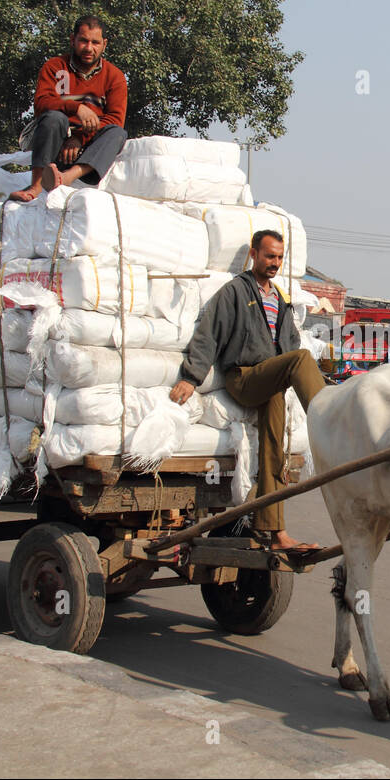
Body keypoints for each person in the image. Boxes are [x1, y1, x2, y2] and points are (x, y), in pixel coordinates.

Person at [170, 230, 327, 550]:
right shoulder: (235, 293)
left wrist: (282, 368)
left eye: (280, 257)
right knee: (301, 360)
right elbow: (208, 334)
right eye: (269, 256)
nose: (275, 263)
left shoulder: (278, 298)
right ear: (254, 254)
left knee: (273, 452)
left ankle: (275, 530)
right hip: (243, 377)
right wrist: (191, 377)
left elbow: (289, 342)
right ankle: (330, 418)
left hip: (270, 382)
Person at [9, 16, 128, 202]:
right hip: (55, 144)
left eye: (95, 42)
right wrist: (77, 108)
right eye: (83, 41)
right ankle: (37, 184)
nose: (89, 48)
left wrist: (80, 138)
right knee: (54, 118)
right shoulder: (55, 67)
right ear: (73, 40)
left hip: (86, 149)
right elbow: (41, 103)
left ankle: (66, 178)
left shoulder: (114, 76)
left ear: (104, 45)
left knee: (117, 132)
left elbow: (115, 118)